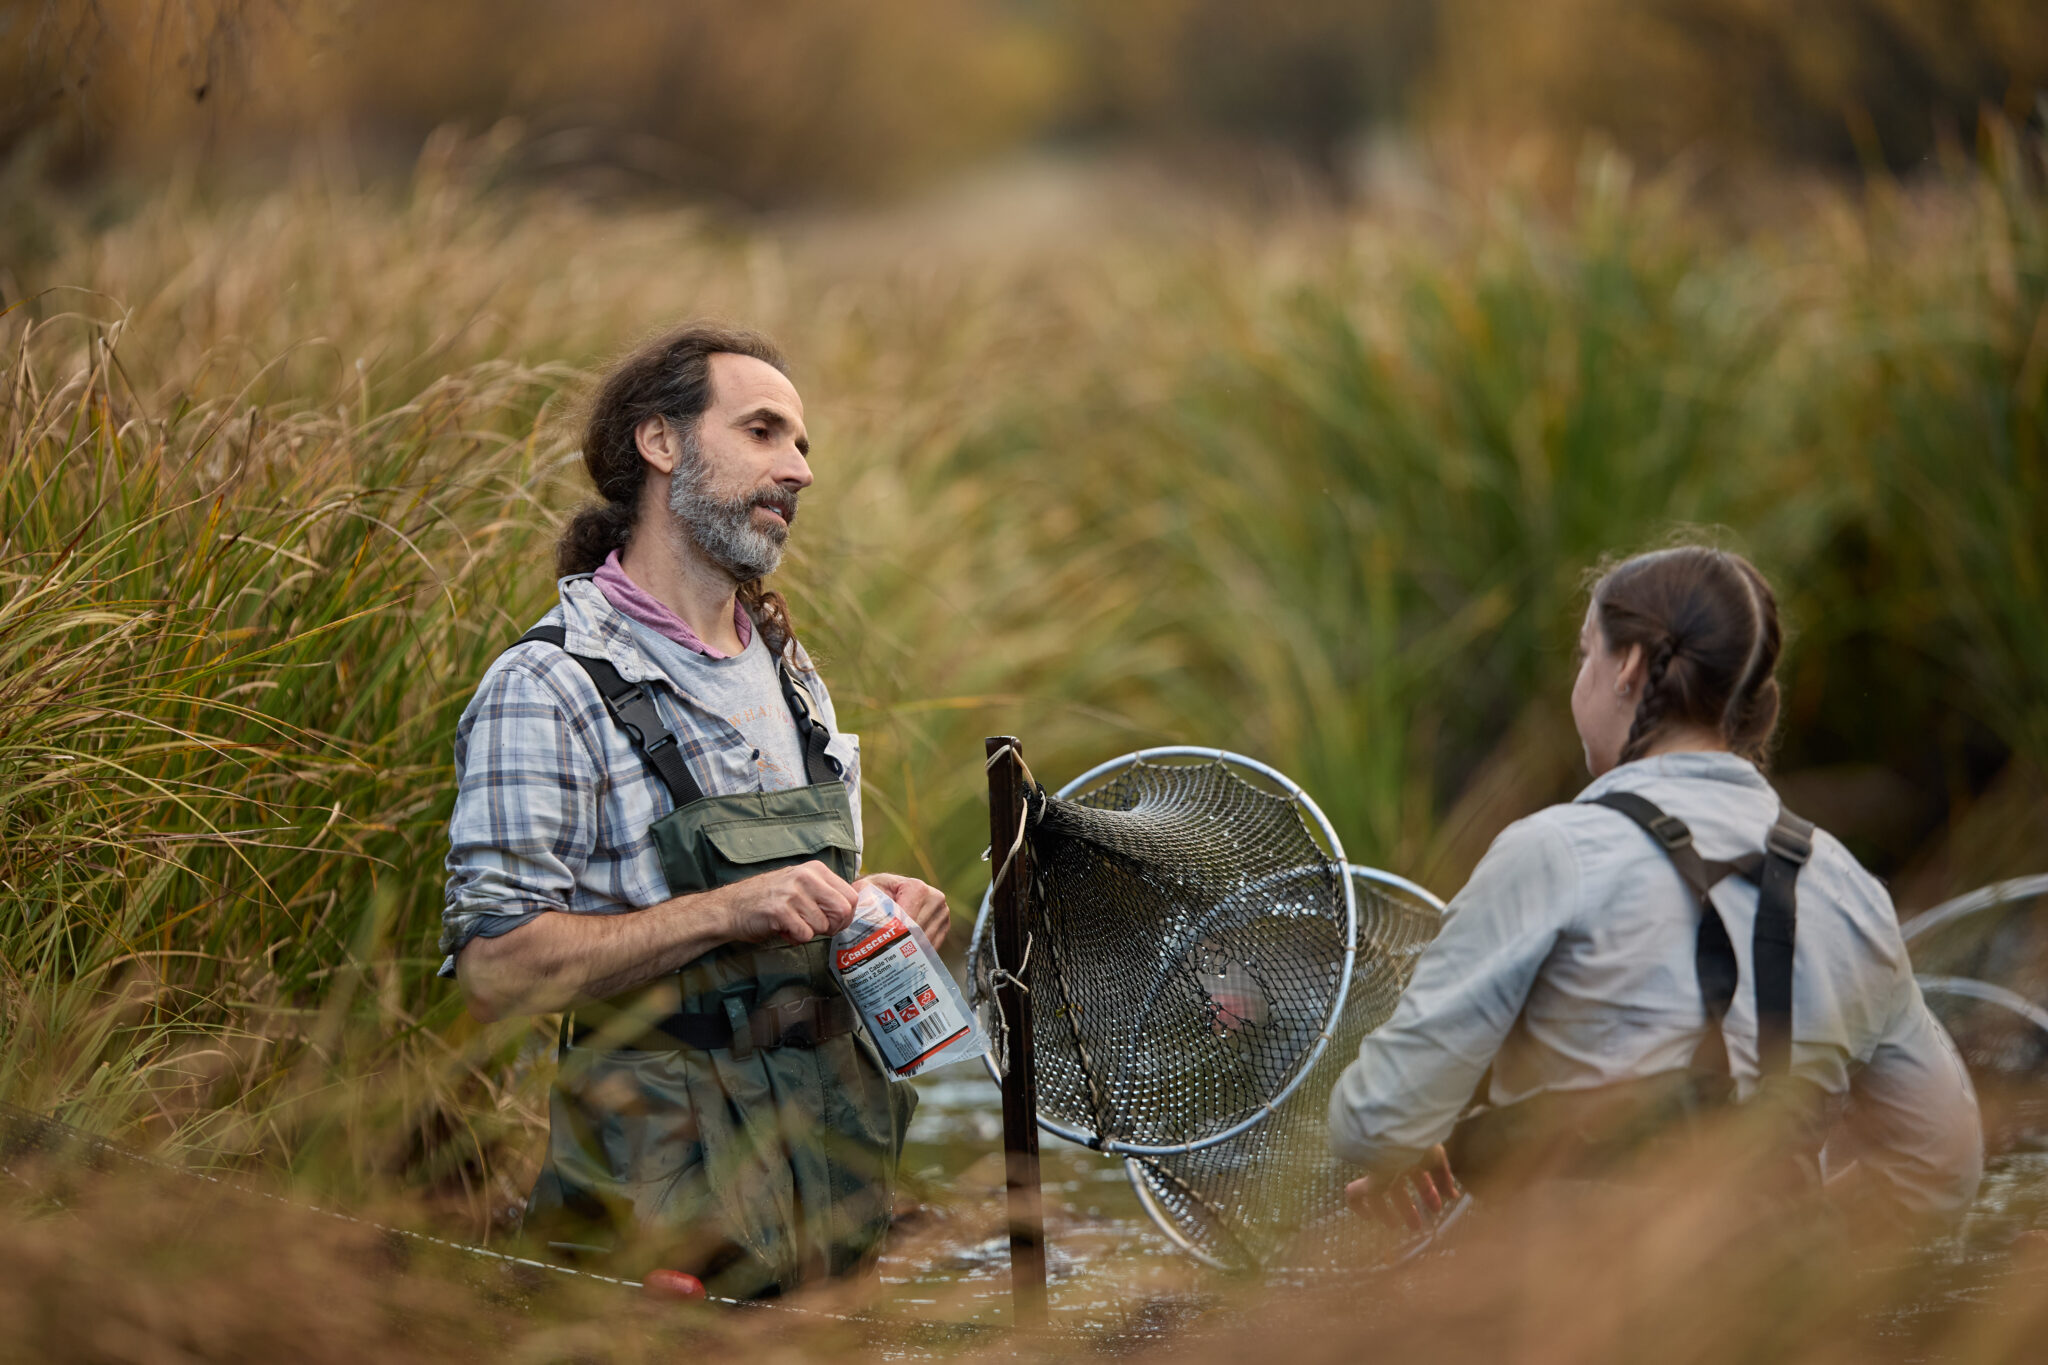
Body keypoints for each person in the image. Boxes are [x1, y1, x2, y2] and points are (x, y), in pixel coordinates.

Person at [439, 323, 951, 1298]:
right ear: (659, 443)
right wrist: (729, 907)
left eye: (802, 446)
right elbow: (496, 973)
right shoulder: (546, 689)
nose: (796, 469)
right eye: (762, 432)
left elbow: (800, 912)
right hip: (656, 1236)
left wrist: (870, 915)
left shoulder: (789, 670)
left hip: (832, 1207)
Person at [1328, 545, 1982, 1231]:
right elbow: (1942, 1166)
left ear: (1630, 667)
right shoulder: (1850, 888)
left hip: (1555, 1317)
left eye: (1585, 654)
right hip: (1775, 1317)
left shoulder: (1551, 852)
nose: (1578, 678)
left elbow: (1374, 1118)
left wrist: (1422, 1140)